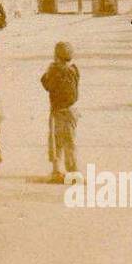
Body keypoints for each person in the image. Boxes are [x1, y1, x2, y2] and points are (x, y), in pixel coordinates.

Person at [40, 41, 80, 183]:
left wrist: (48, 73)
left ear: (56, 56)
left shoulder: (55, 71)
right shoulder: (74, 70)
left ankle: (56, 170)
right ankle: (73, 171)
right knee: (70, 141)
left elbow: (47, 84)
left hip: (57, 111)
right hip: (72, 110)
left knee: (56, 142)